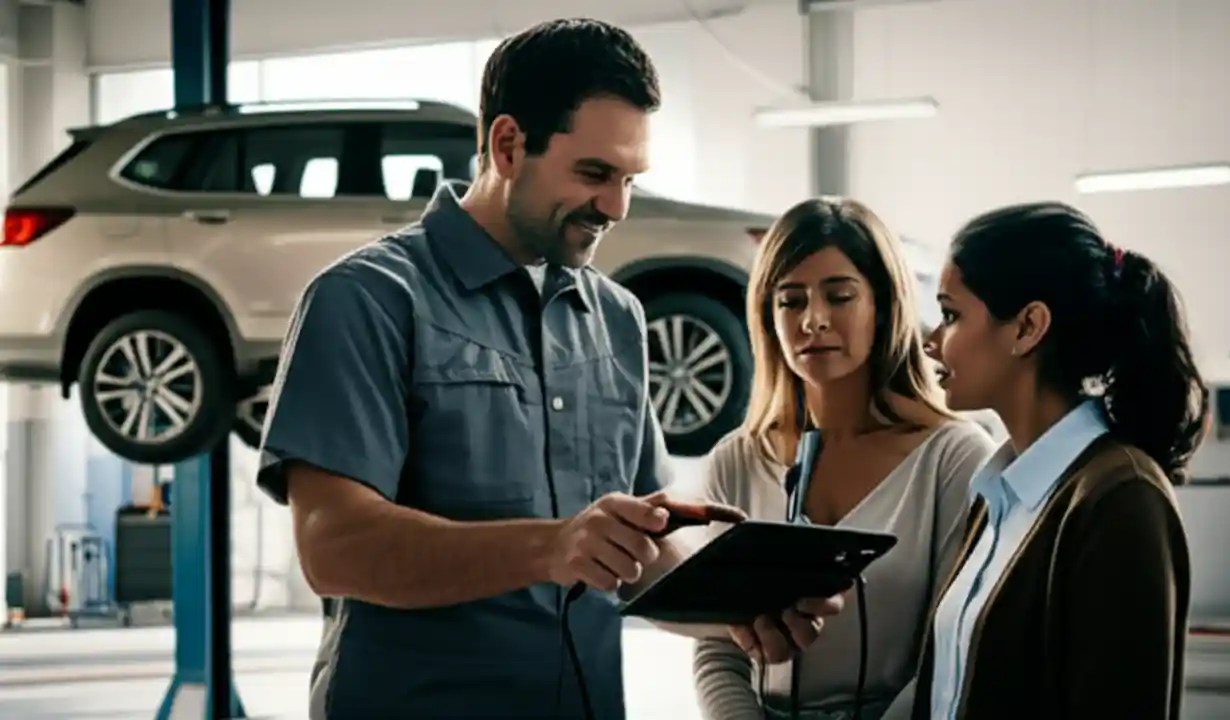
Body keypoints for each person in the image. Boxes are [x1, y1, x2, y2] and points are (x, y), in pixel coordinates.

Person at [255, 18, 842, 720]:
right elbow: (334, 547)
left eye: (629, 179)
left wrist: (739, 608)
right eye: (594, 174)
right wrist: (552, 546)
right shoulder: (368, 300)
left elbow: (634, 556)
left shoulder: (617, 319)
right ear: (507, 145)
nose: (616, 207)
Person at [689, 198, 997, 720]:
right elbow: (719, 648)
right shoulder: (735, 462)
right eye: (790, 301)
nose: (813, 320)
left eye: (839, 296)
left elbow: (956, 653)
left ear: (883, 307)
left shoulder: (954, 459)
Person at [913, 201, 1208, 719]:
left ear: (1027, 326)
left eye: (951, 315)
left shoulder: (1121, 497)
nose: (933, 342)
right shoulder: (999, 496)